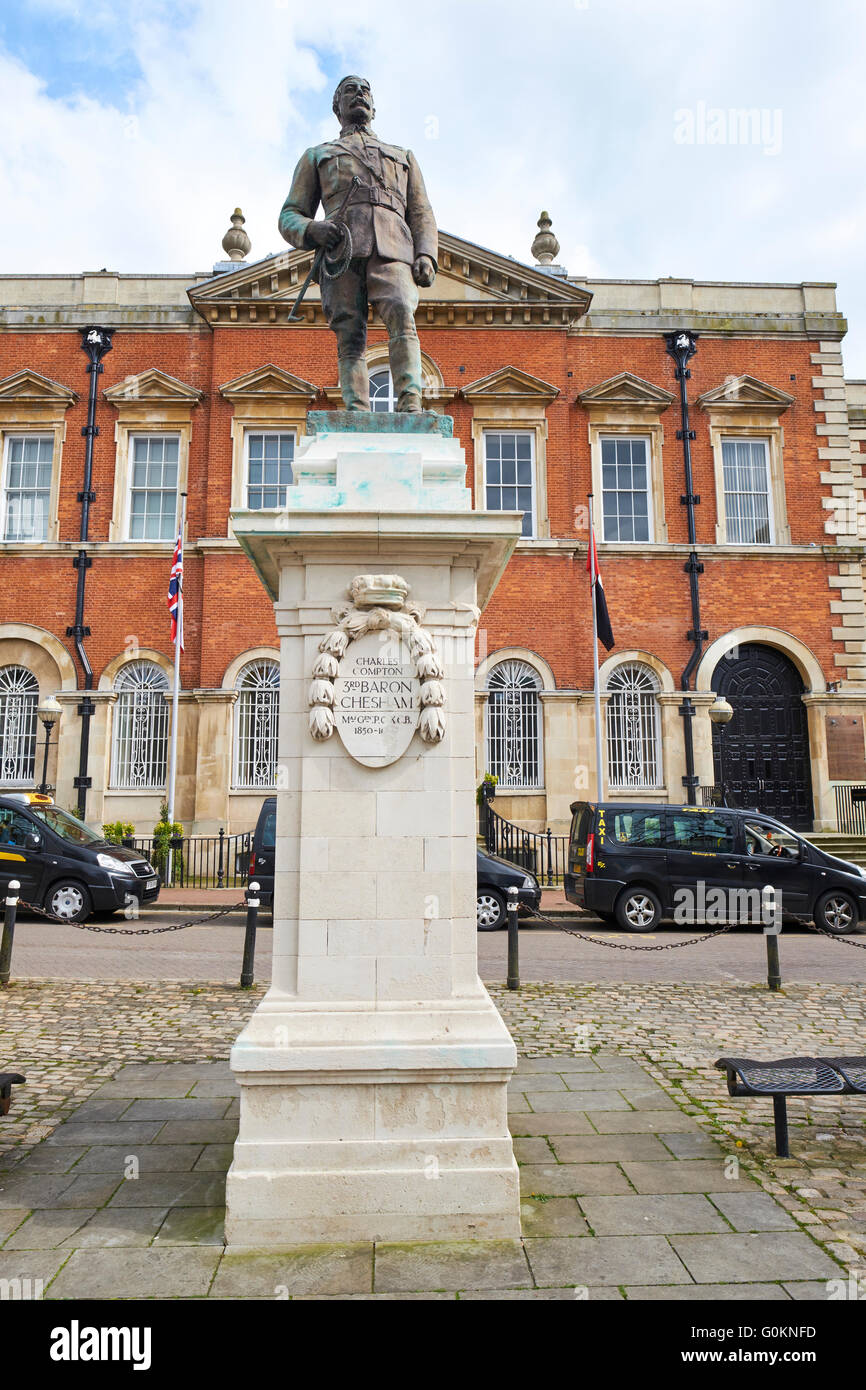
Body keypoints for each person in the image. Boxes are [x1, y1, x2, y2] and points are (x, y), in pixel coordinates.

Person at [279, 75, 438, 413]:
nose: (359, 94)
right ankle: (356, 410)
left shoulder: (402, 156)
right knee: (350, 333)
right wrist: (313, 229)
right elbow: (289, 215)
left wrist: (425, 253)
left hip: (393, 249)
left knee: (401, 313)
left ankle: (411, 404)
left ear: (374, 107)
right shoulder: (317, 155)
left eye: (365, 90)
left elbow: (421, 211)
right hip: (342, 251)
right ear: (337, 107)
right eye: (350, 90)